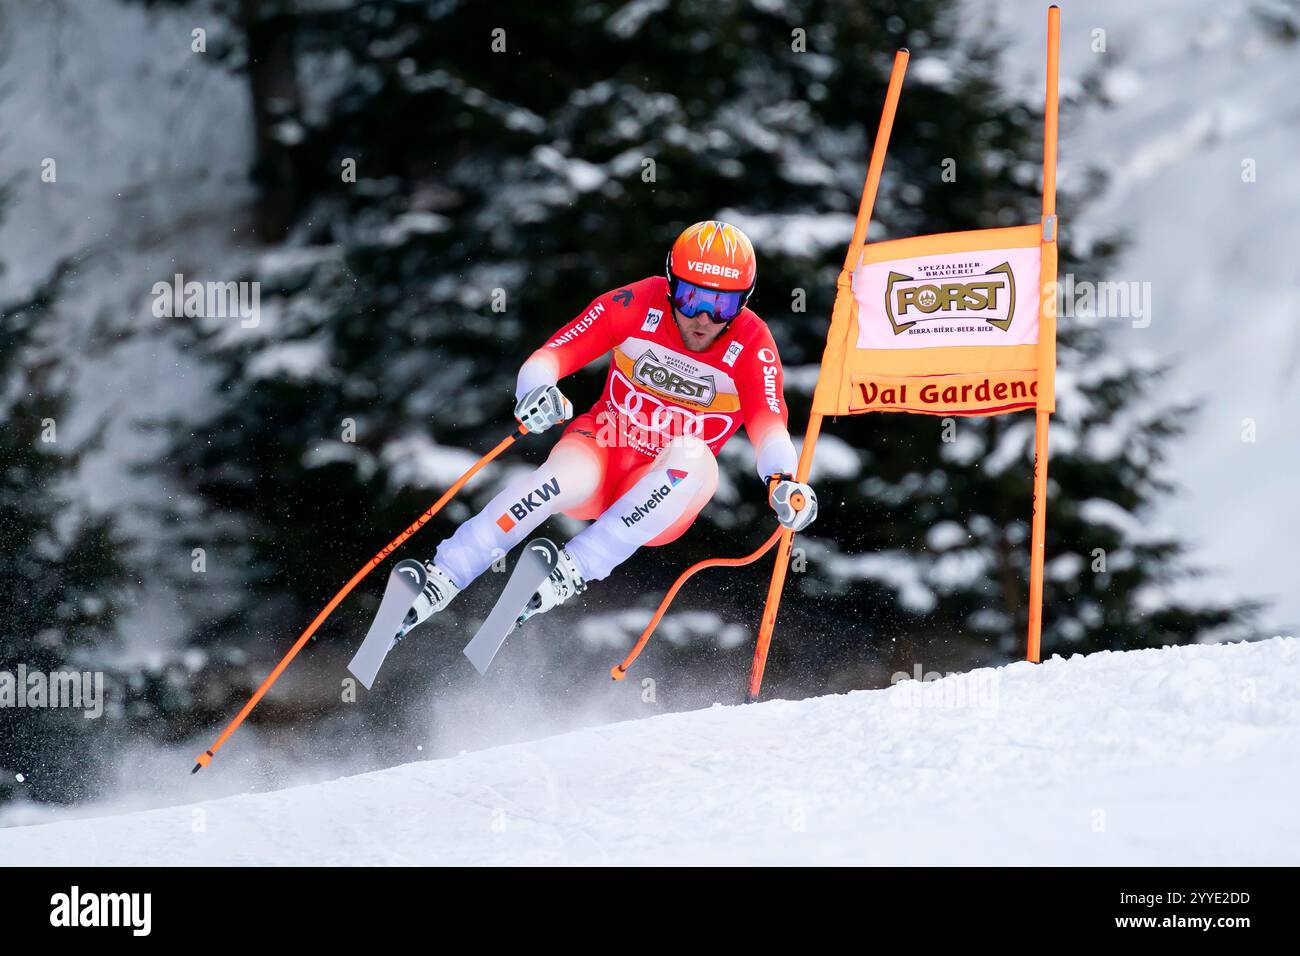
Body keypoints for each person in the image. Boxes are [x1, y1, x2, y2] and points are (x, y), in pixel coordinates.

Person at [402, 219, 817, 635]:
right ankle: (443, 575)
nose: (704, 318)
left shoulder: (752, 343)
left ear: (743, 302)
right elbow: (551, 356)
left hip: (659, 493)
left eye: (723, 305)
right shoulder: (638, 302)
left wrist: (783, 481)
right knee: (553, 481)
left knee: (695, 455)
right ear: (672, 285)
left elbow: (771, 427)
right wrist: (536, 390)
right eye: (691, 298)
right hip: (602, 447)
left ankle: (575, 567)